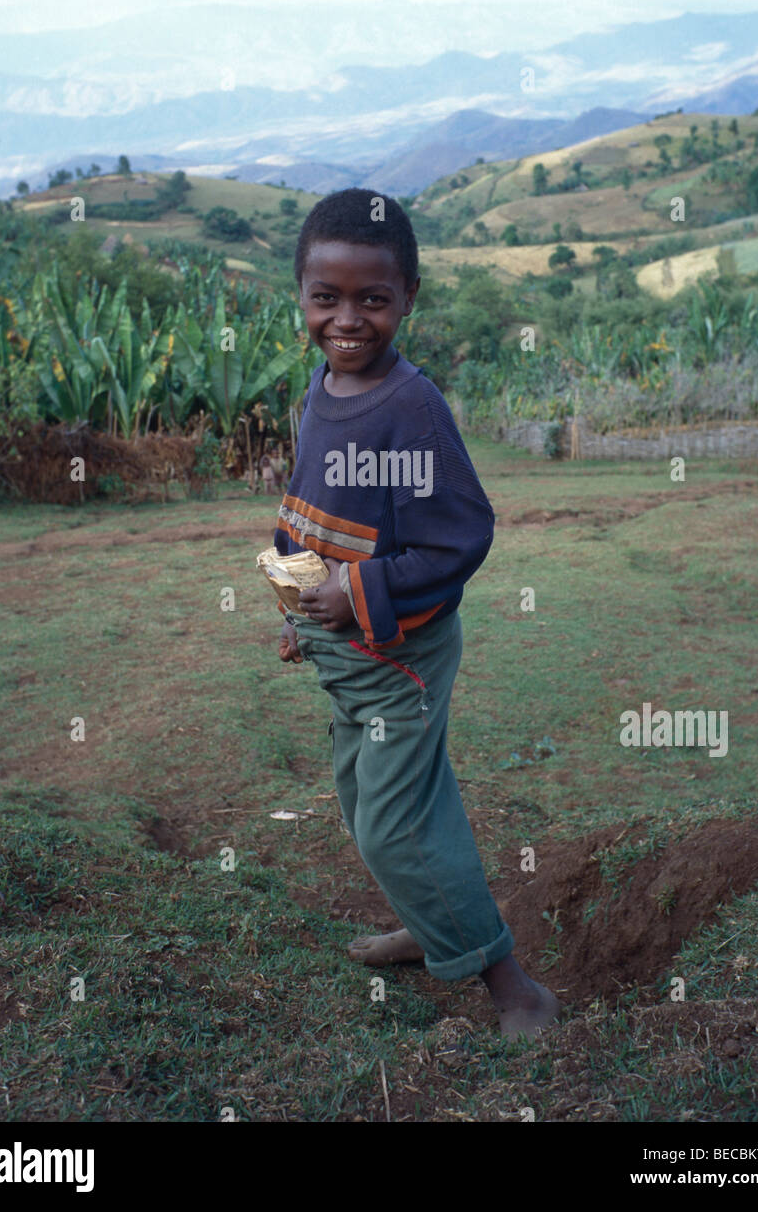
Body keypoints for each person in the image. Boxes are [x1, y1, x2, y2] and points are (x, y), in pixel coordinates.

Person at [273, 188, 559, 1039]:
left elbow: (458, 540)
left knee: (401, 826)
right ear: (302, 296)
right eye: (327, 298)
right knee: (368, 809)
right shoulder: (319, 395)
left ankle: (516, 993)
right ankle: (432, 928)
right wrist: (296, 604)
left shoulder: (411, 410)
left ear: (408, 298)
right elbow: (303, 513)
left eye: (373, 298)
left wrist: (354, 595)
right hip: (343, 654)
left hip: (400, 658)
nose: (348, 319)